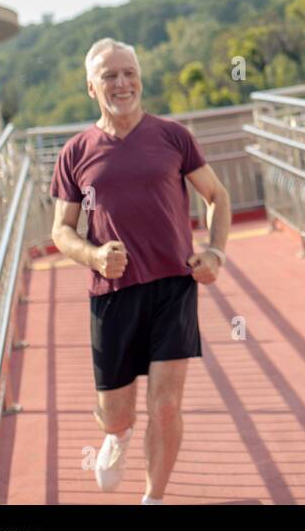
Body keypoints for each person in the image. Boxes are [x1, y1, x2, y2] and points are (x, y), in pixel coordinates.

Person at [49, 38, 231, 504]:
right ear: (91, 88)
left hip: (174, 285)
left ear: (140, 78)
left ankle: (153, 497)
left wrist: (215, 253)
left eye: (128, 72)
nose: (122, 83)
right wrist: (92, 256)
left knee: (166, 406)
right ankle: (116, 434)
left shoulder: (173, 136)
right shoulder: (76, 152)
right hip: (112, 293)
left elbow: (218, 197)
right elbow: (61, 231)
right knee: (114, 412)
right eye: (109, 75)